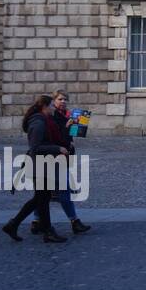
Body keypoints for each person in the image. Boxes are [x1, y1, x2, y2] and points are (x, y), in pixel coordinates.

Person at [0, 95, 69, 243]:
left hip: (44, 165)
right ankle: (46, 231)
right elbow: (36, 148)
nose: (53, 108)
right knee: (41, 198)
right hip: (39, 165)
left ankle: (16, 225)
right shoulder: (38, 122)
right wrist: (58, 148)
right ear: (44, 106)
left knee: (41, 199)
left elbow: (50, 139)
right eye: (51, 105)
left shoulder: (46, 120)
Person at [32, 90, 91, 235]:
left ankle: (36, 221)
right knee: (57, 191)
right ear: (52, 102)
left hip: (63, 155)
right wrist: (66, 128)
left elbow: (70, 136)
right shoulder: (51, 117)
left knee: (45, 193)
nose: (63, 101)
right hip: (53, 157)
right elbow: (55, 137)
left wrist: (78, 127)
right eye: (60, 99)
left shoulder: (67, 115)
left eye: (65, 99)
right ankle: (73, 221)